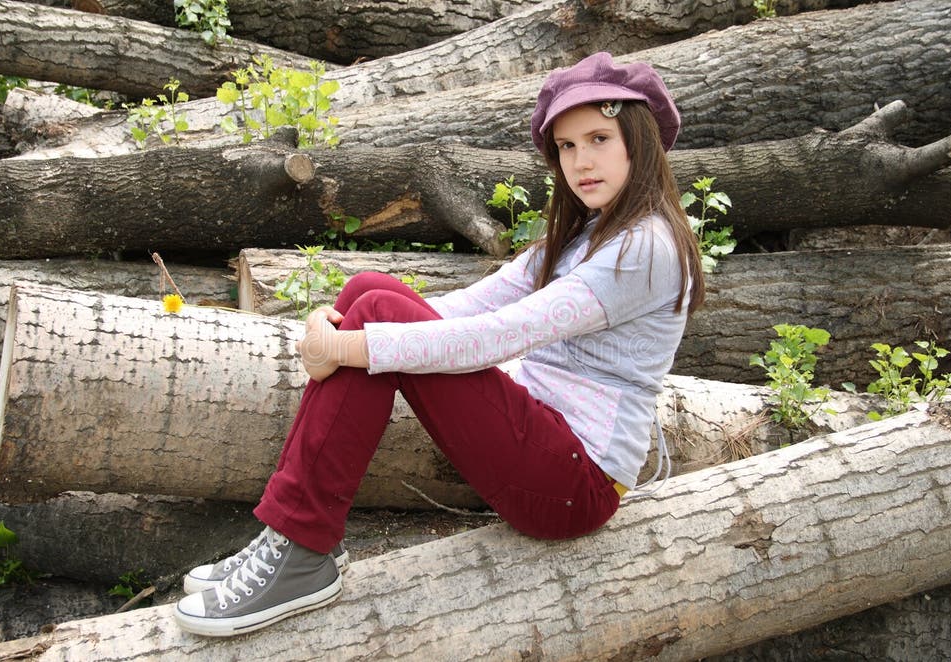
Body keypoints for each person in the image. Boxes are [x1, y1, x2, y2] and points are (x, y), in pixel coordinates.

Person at [174, 51, 705, 637]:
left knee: (376, 310)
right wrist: (344, 328)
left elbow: (500, 336)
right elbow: (472, 305)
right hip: (541, 441)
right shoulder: (587, 234)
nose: (581, 161)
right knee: (367, 290)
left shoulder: (645, 248)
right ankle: (290, 535)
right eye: (567, 146)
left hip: (575, 483)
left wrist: (349, 348)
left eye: (599, 139)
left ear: (639, 141)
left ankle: (300, 545)